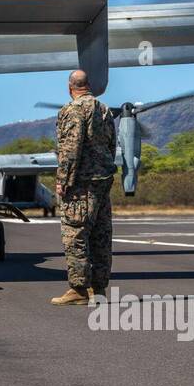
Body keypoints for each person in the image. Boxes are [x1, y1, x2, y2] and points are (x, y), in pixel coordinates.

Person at [50, 69, 116, 306]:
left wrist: (63, 180)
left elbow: (70, 148)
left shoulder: (72, 110)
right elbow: (111, 144)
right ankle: (98, 290)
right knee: (100, 236)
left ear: (70, 88)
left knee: (75, 233)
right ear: (89, 86)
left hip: (80, 184)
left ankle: (78, 289)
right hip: (102, 181)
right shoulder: (104, 109)